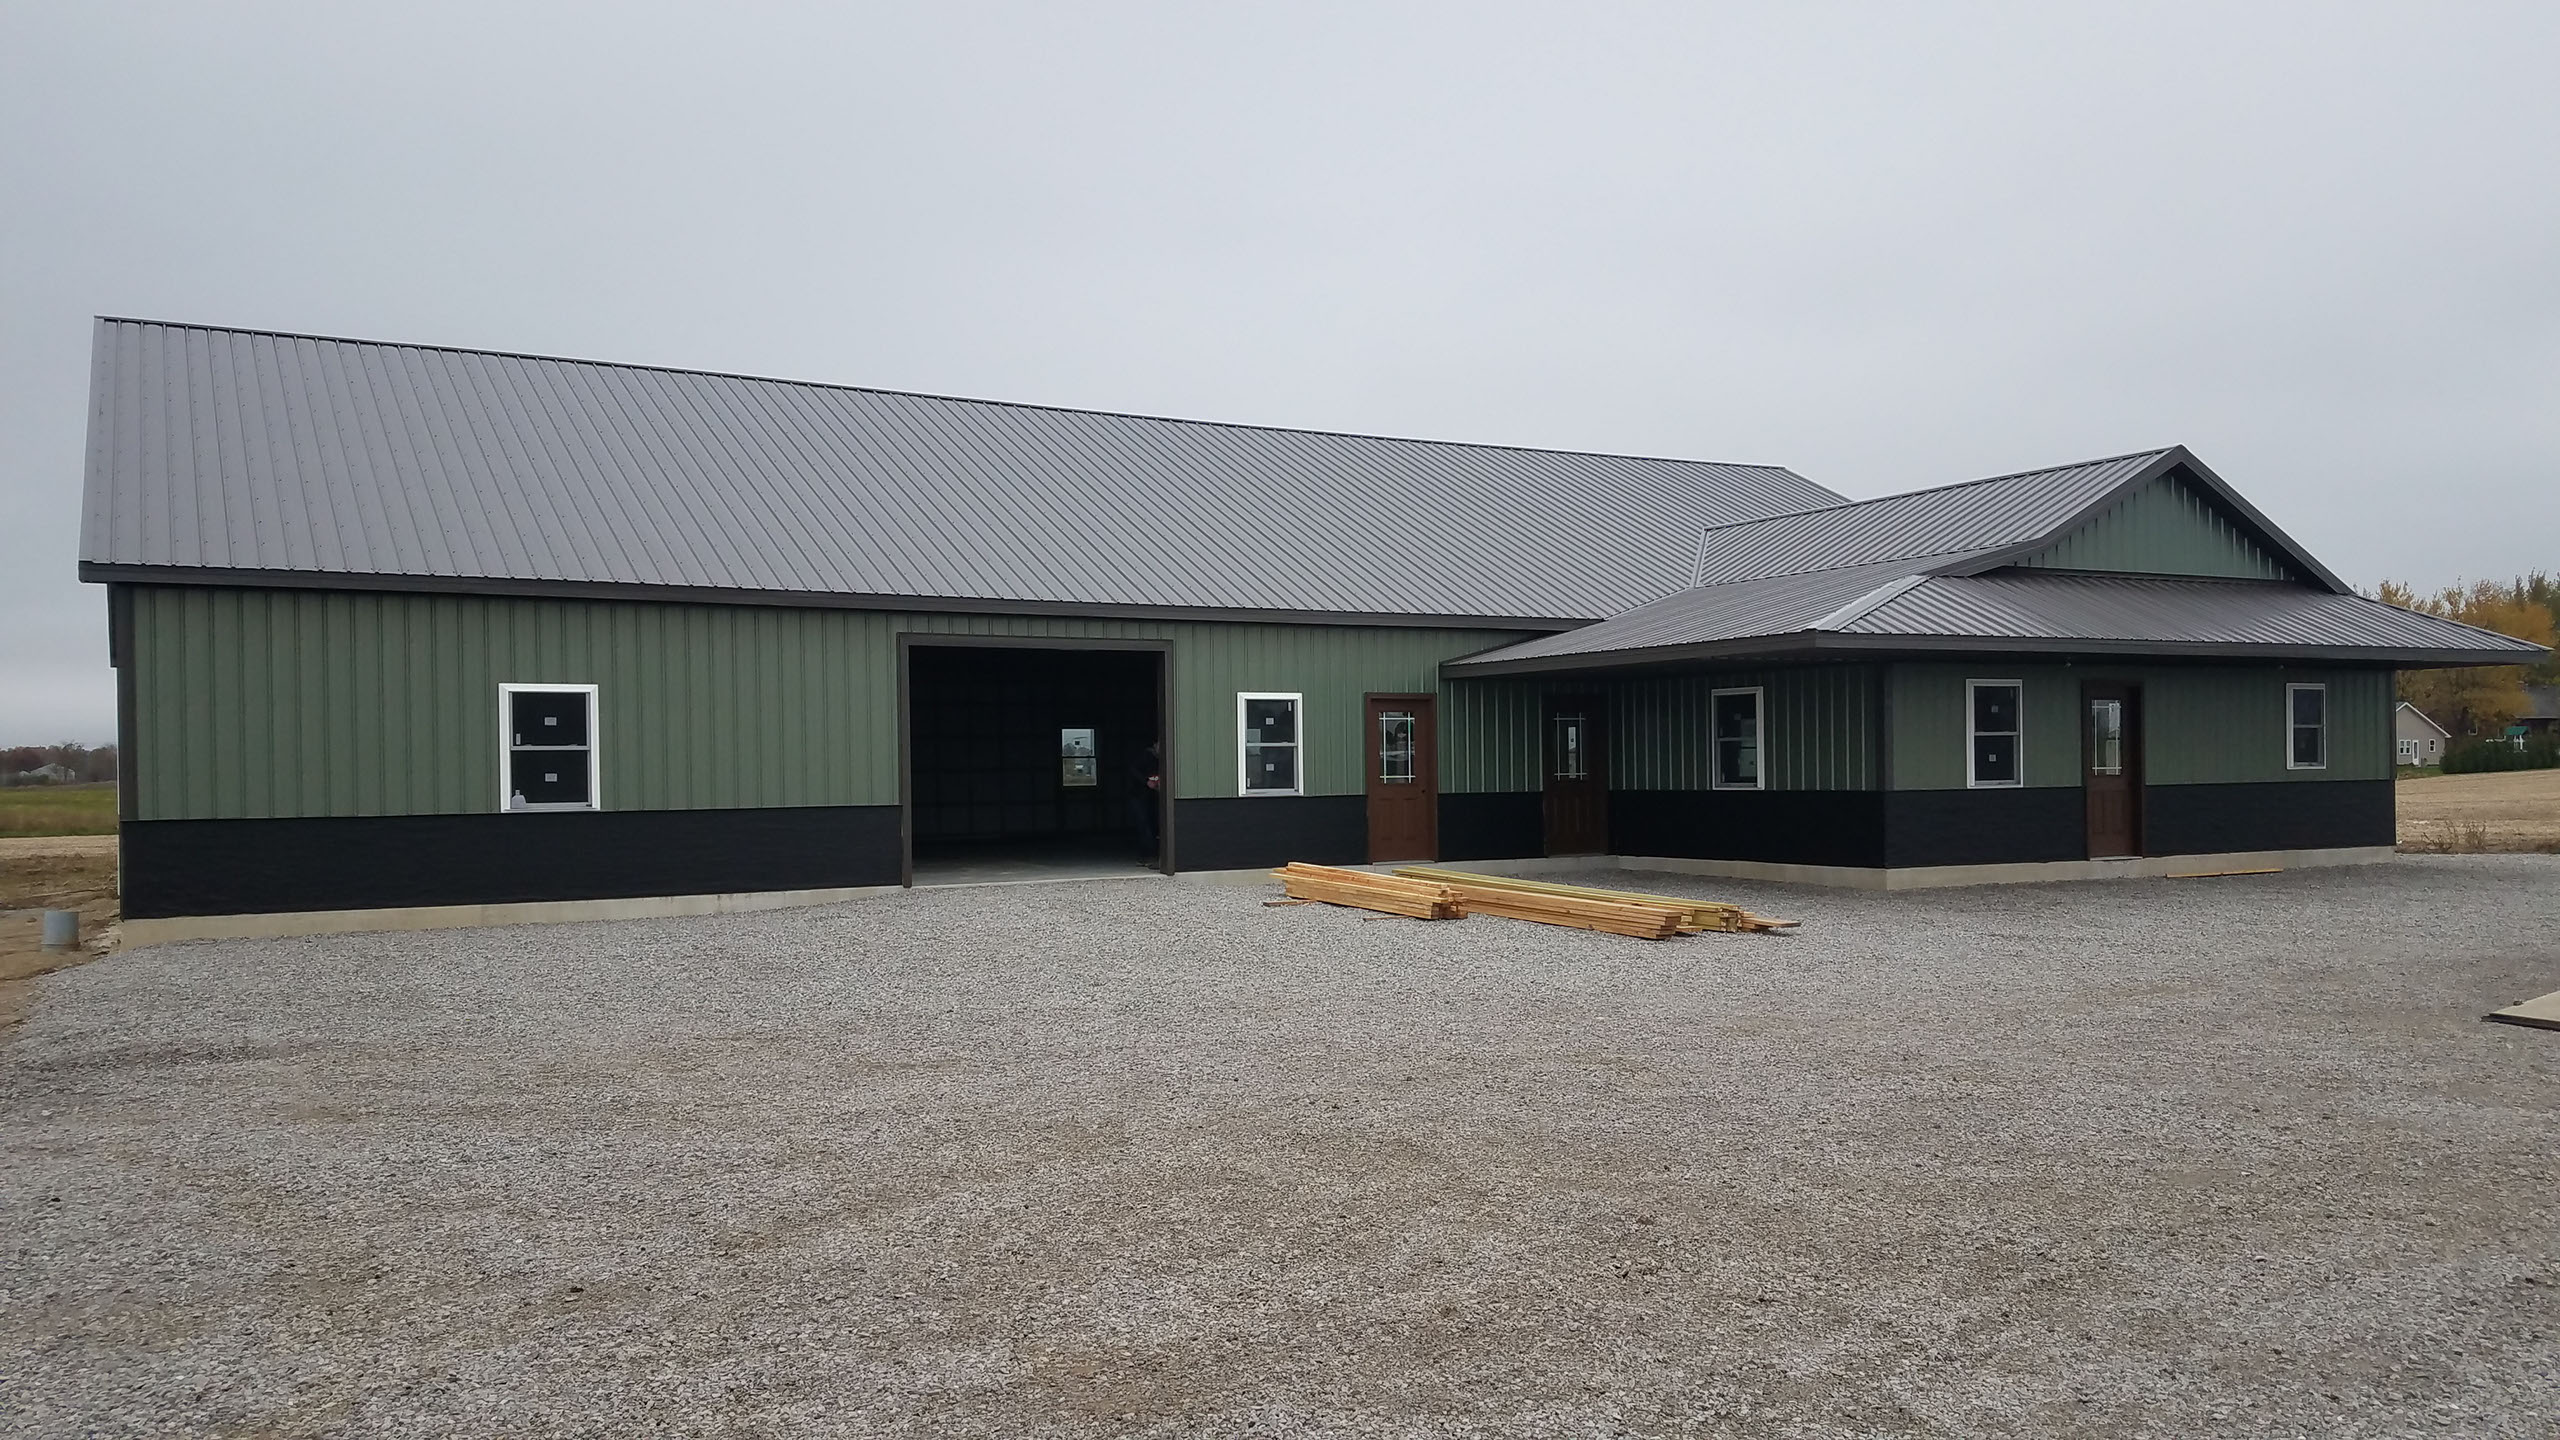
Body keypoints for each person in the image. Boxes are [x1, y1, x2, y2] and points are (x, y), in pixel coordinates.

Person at [1131, 740, 1162, 863]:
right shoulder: (1145, 756)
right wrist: (1146, 782)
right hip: (1139, 796)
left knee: (1154, 824)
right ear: (1155, 745)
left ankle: (1154, 853)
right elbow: (1133, 770)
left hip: (1154, 797)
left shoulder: (1163, 759)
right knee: (1144, 824)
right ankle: (1147, 854)